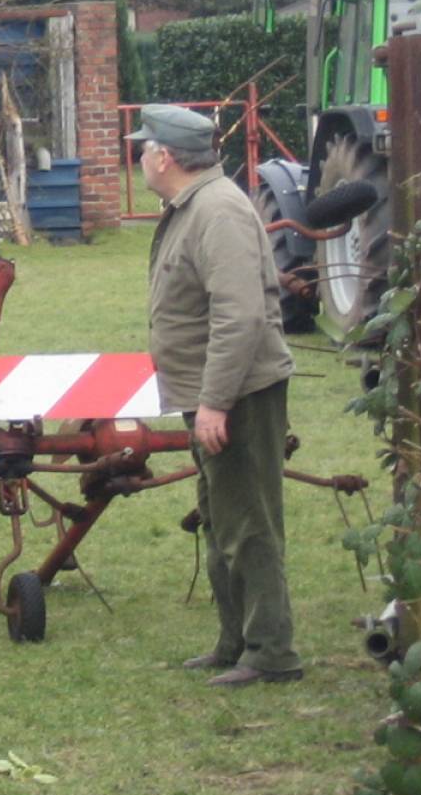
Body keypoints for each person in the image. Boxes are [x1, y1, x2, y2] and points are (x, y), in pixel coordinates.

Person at [127, 104, 301, 687]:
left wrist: (216, 402)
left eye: (143, 148)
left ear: (164, 157)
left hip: (238, 392)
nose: (139, 158)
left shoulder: (217, 211)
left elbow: (240, 315)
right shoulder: (195, 206)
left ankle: (271, 653)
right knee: (222, 518)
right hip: (211, 390)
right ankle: (236, 641)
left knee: (249, 521)